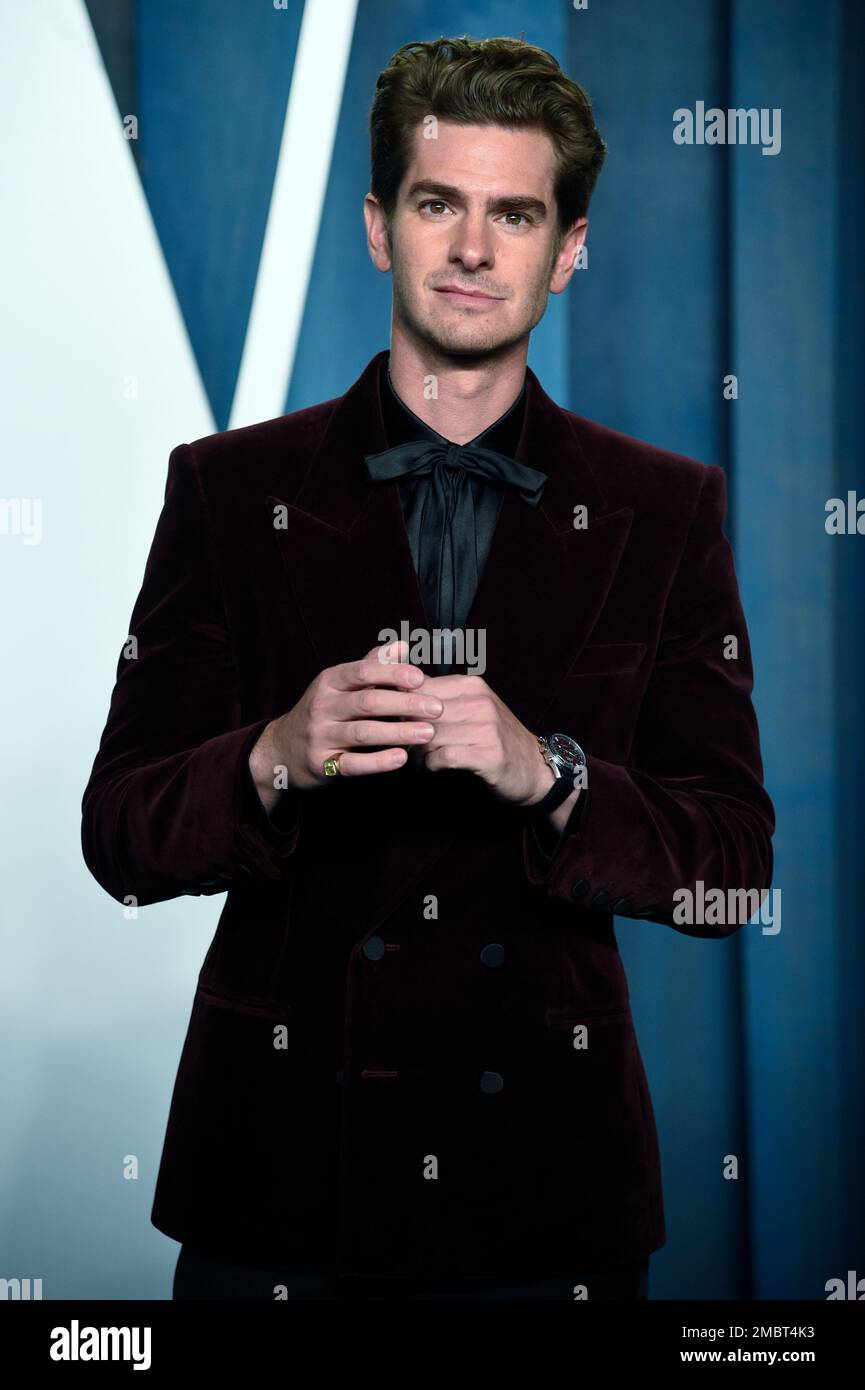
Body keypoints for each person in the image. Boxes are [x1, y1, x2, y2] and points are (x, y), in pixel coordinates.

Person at [81, 35, 774, 1301]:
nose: (471, 248)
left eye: (514, 214)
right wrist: (271, 756)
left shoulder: (665, 509)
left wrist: (549, 772)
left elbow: (730, 867)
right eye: (437, 204)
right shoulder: (228, 491)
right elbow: (119, 836)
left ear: (567, 250)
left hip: (547, 1196)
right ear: (376, 227)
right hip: (281, 1179)